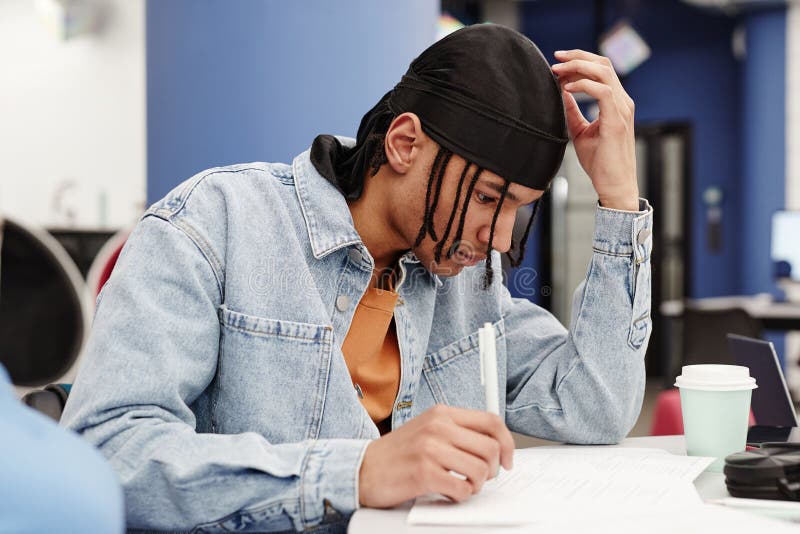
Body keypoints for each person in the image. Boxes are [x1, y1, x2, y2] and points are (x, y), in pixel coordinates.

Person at [62, 24, 653, 532]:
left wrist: (621, 201)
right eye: (488, 197)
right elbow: (108, 453)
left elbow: (594, 406)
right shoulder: (212, 225)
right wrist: (355, 473)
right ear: (404, 144)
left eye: (519, 209)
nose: (501, 239)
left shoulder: (463, 279)